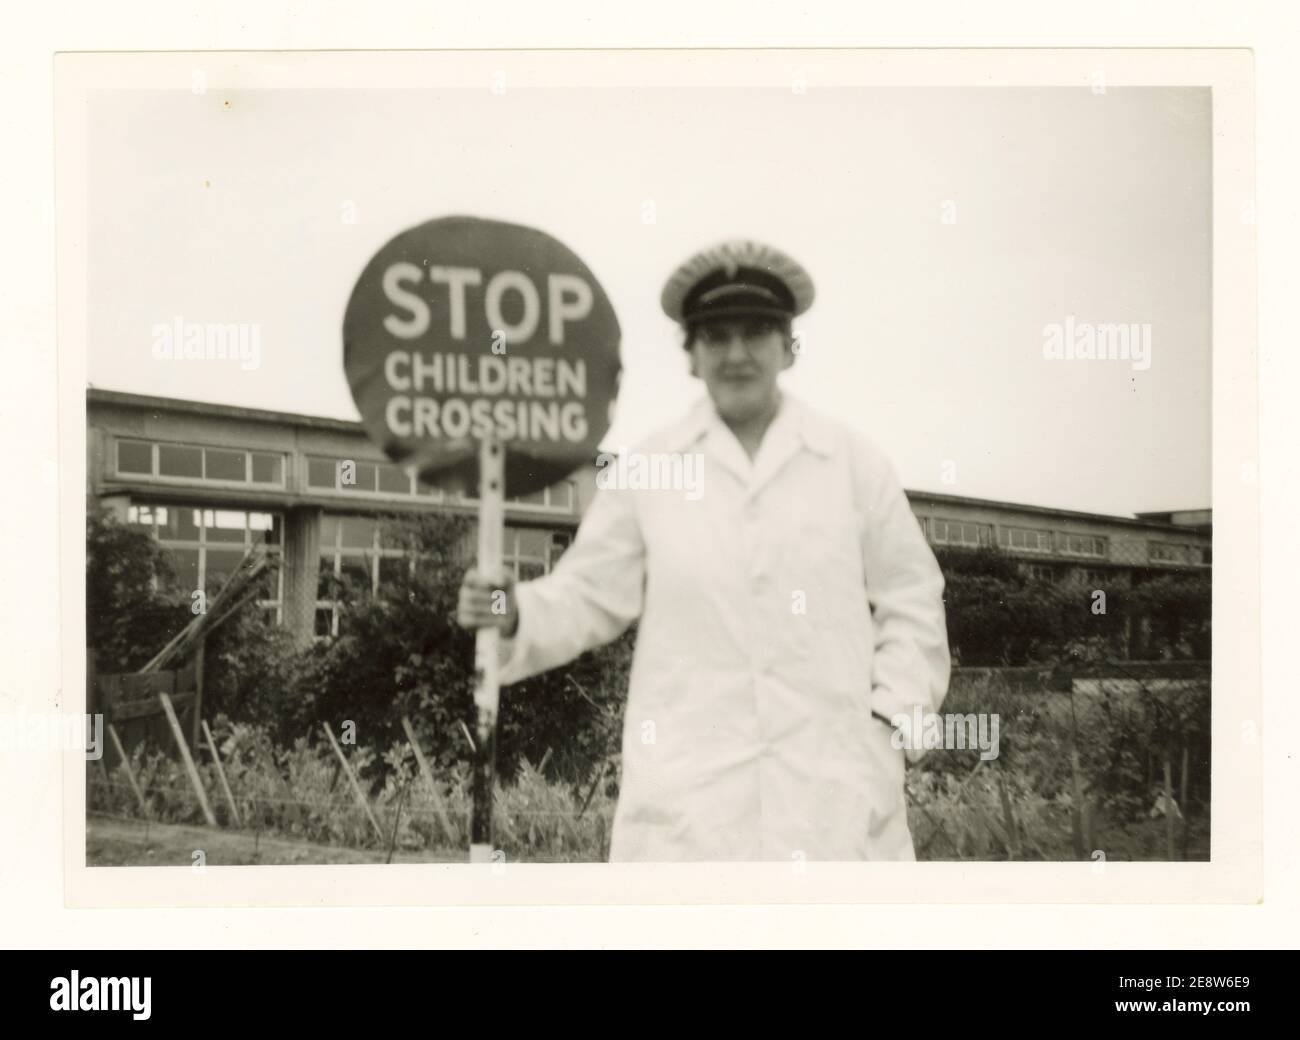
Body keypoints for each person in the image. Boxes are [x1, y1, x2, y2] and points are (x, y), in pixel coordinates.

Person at [457, 239, 950, 861]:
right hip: (688, 811)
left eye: (756, 334)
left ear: (788, 347)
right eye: (716, 337)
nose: (737, 354)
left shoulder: (852, 463)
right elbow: (587, 595)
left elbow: (912, 601)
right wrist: (512, 609)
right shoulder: (650, 469)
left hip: (836, 803)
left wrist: (890, 723)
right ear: (690, 355)